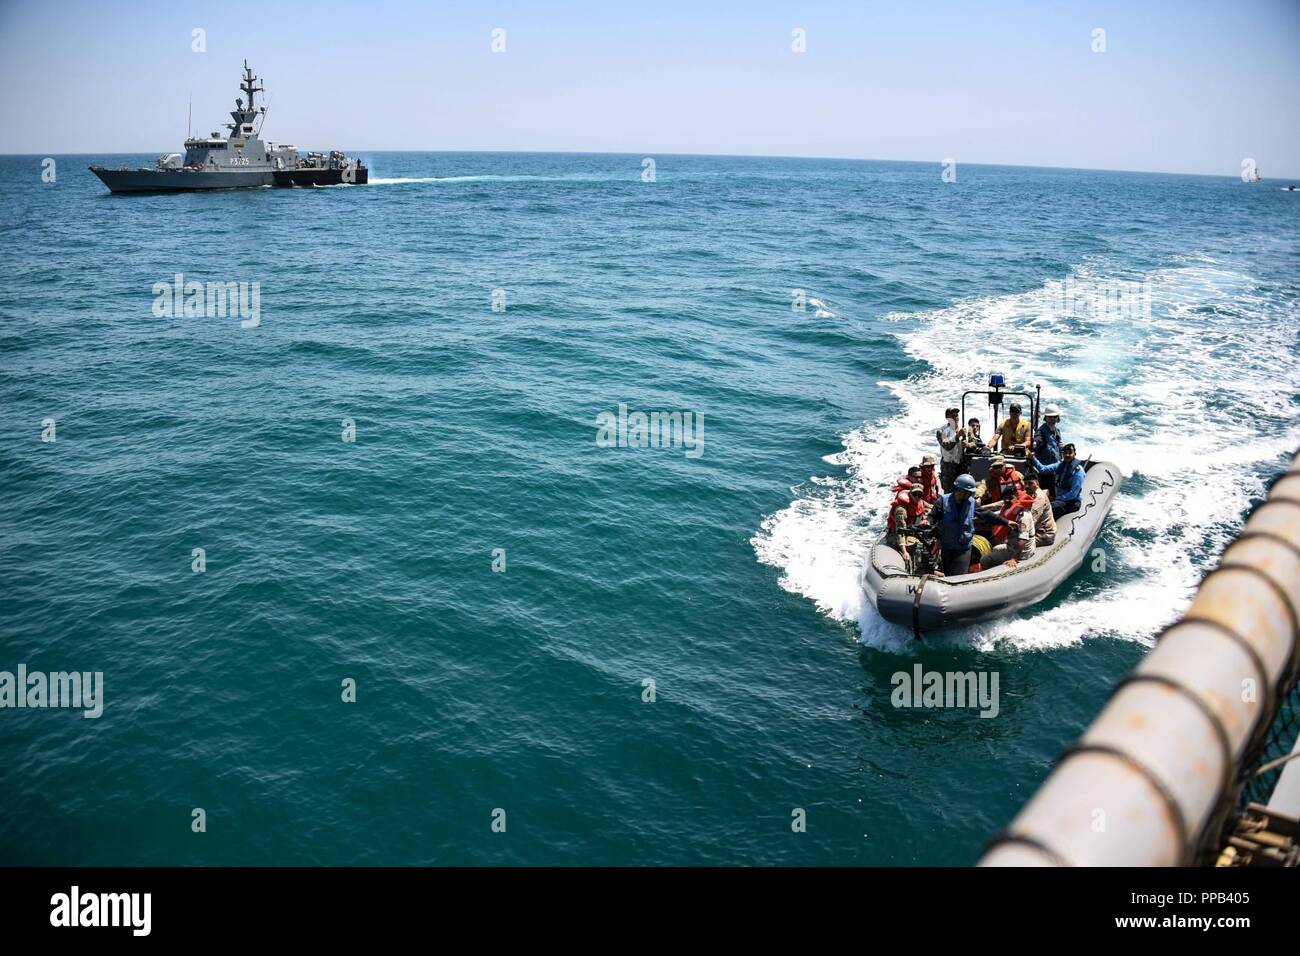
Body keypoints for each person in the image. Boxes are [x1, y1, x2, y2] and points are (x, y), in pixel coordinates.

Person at [929, 473, 978, 577]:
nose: (969, 495)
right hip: (947, 546)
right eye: (968, 493)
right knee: (949, 574)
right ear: (959, 490)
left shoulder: (972, 503)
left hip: (963, 548)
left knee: (959, 576)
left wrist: (1006, 522)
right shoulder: (943, 501)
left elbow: (987, 514)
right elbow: (932, 517)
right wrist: (929, 526)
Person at [980, 483, 1037, 570]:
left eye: (1010, 498)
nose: (1007, 500)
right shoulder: (1009, 509)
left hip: (1023, 551)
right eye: (1005, 498)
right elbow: (994, 516)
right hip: (1011, 544)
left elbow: (1023, 540)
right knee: (994, 548)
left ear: (1016, 496)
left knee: (984, 560)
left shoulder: (1023, 515)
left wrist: (1014, 558)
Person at [1032, 442, 1086, 520]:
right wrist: (1033, 458)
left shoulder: (1078, 472)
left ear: (1075, 454)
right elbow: (1043, 469)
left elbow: (1073, 494)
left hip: (1071, 502)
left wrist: (1057, 498)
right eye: (1065, 453)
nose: (1067, 455)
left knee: (1048, 508)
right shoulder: (1059, 465)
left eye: (1070, 453)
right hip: (1059, 498)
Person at [1034, 404, 1063, 495]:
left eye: (1054, 417)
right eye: (1049, 417)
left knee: (1053, 493)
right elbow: (1037, 440)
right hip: (1044, 471)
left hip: (1055, 469)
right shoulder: (1041, 431)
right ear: (1045, 417)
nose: (1052, 419)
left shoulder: (1057, 431)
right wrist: (1037, 442)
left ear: (1057, 418)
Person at [1023, 469, 1056, 547]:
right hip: (1037, 531)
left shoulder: (1039, 498)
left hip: (1044, 535)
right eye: (1025, 484)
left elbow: (1030, 520)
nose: (1027, 486)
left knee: (1013, 544)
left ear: (1037, 484)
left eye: (1030, 483)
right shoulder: (1030, 493)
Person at [935, 407, 965, 492]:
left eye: (957, 415)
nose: (955, 417)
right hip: (948, 466)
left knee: (961, 489)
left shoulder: (962, 429)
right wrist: (958, 436)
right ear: (947, 418)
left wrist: (967, 444)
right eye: (952, 415)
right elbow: (946, 446)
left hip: (960, 465)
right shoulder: (941, 431)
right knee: (949, 491)